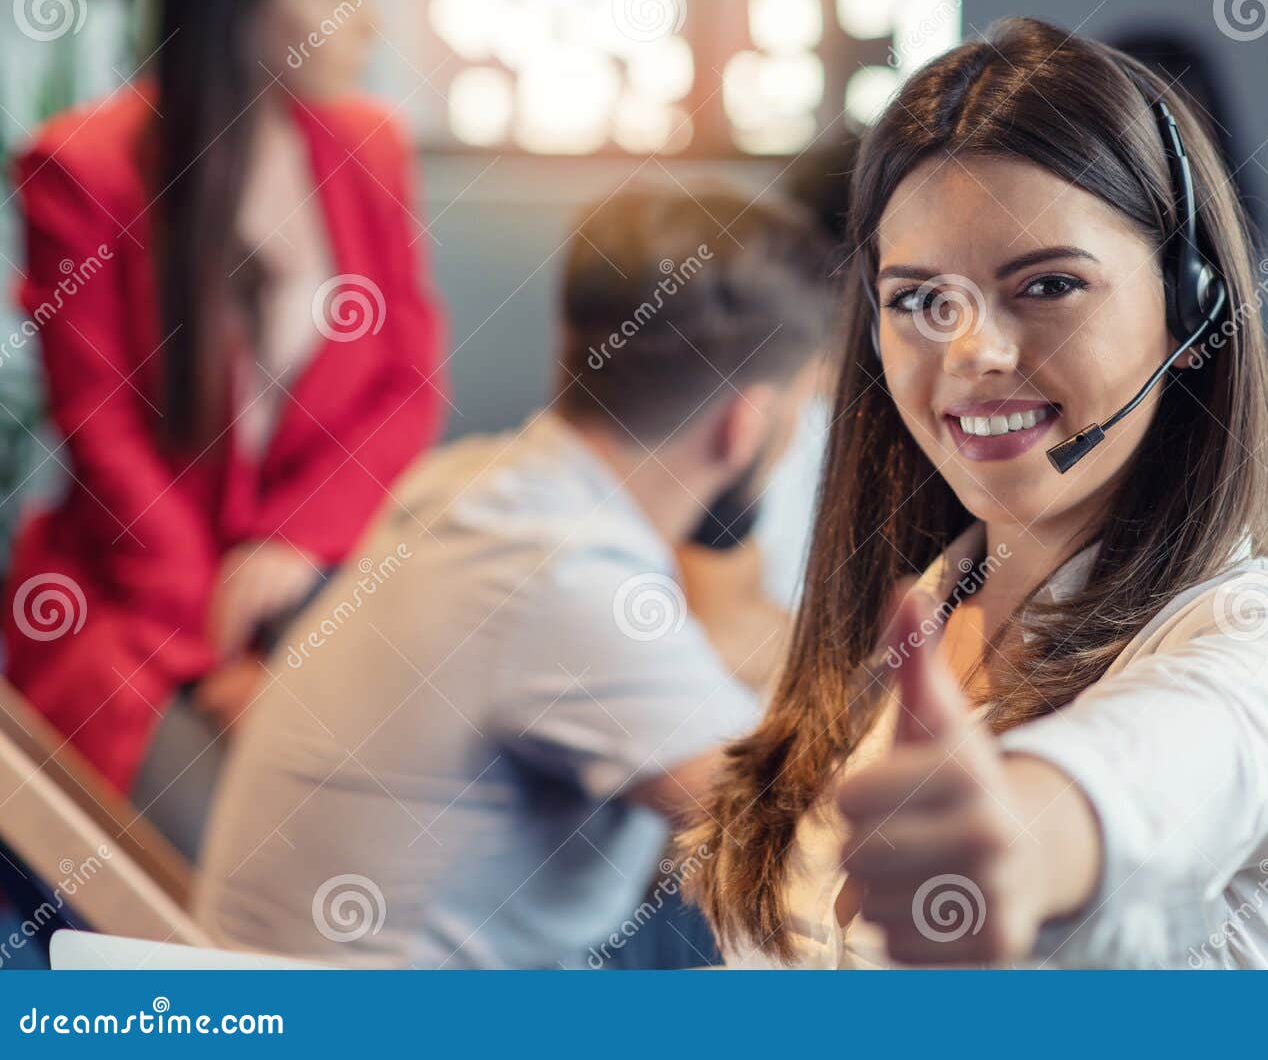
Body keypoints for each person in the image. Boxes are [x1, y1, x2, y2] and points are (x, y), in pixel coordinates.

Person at [683, 18, 1268, 969]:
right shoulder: (906, 621)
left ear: (1191, 306)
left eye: (1048, 284)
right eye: (921, 299)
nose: (973, 352)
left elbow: (1162, 770)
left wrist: (1020, 832)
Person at [193, 186, 834, 968]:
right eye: (802, 414)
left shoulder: (468, 485)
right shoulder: (563, 572)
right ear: (746, 422)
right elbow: (801, 830)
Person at [1, 0, 444, 836]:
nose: (369, 21)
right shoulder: (83, 169)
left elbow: (408, 386)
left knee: (422, 827)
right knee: (236, 845)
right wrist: (223, 643)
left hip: (325, 587)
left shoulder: (369, 149)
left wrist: (292, 551)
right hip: (140, 606)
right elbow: (105, 435)